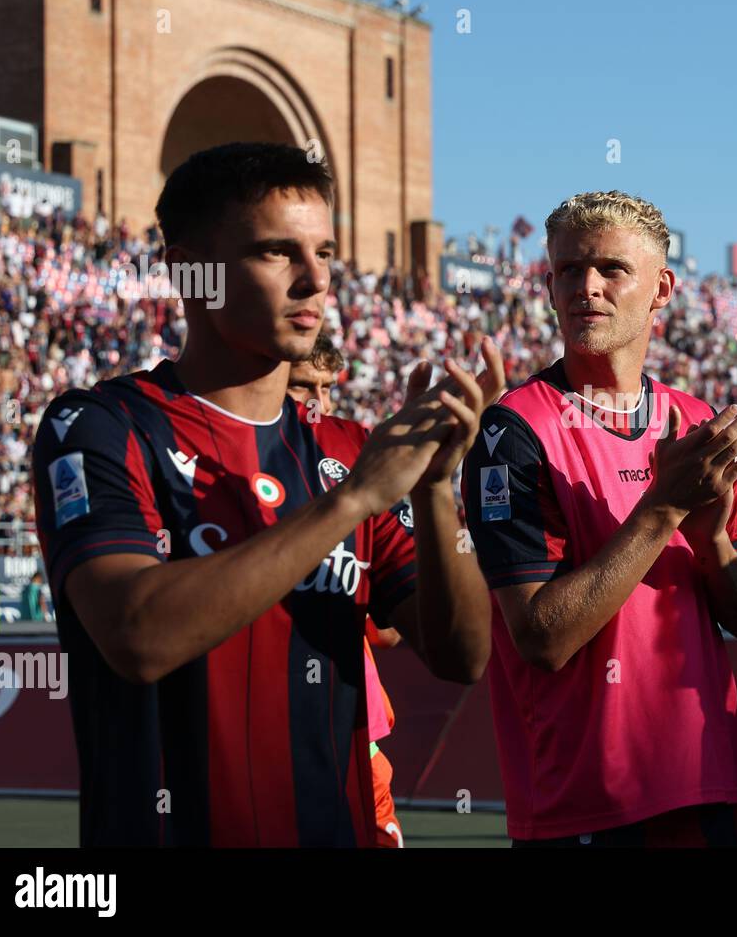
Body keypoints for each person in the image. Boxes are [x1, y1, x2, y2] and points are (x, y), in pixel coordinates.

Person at [31, 142, 504, 846]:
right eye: (279, 253)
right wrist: (347, 506)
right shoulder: (100, 426)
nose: (317, 281)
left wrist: (437, 491)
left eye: (327, 253)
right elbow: (138, 636)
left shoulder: (349, 449)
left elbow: (461, 657)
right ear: (191, 274)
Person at [461, 190, 737, 847]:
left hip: (707, 788)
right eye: (568, 271)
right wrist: (663, 508)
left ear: (661, 289)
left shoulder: (695, 423)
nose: (586, 288)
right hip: (583, 806)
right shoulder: (515, 430)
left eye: (610, 269)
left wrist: (712, 537)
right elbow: (543, 639)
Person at [286, 332, 404, 848]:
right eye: (301, 387)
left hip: (354, 721)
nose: (318, 404)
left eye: (327, 388)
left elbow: (395, 628)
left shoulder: (351, 458)